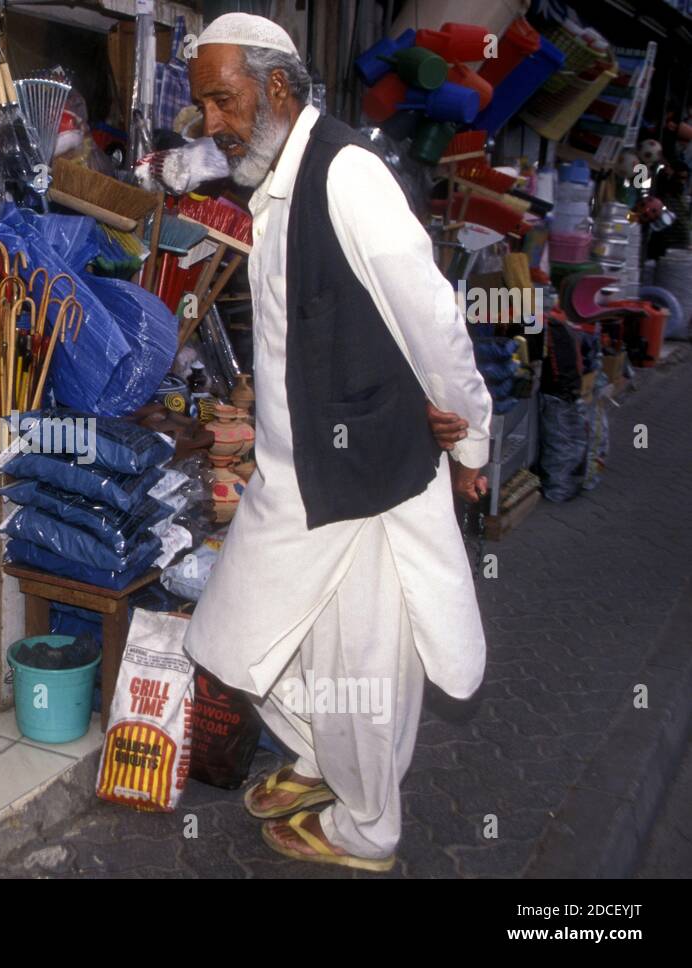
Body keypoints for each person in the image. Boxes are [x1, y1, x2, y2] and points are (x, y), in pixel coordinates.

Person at [181, 13, 492, 871]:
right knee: (236, 634)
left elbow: (431, 319)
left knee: (362, 670)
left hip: (365, 483)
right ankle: (320, 761)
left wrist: (472, 445)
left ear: (277, 87)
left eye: (223, 98)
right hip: (293, 481)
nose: (213, 122)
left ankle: (367, 829)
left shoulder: (346, 172)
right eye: (205, 103)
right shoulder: (277, 182)